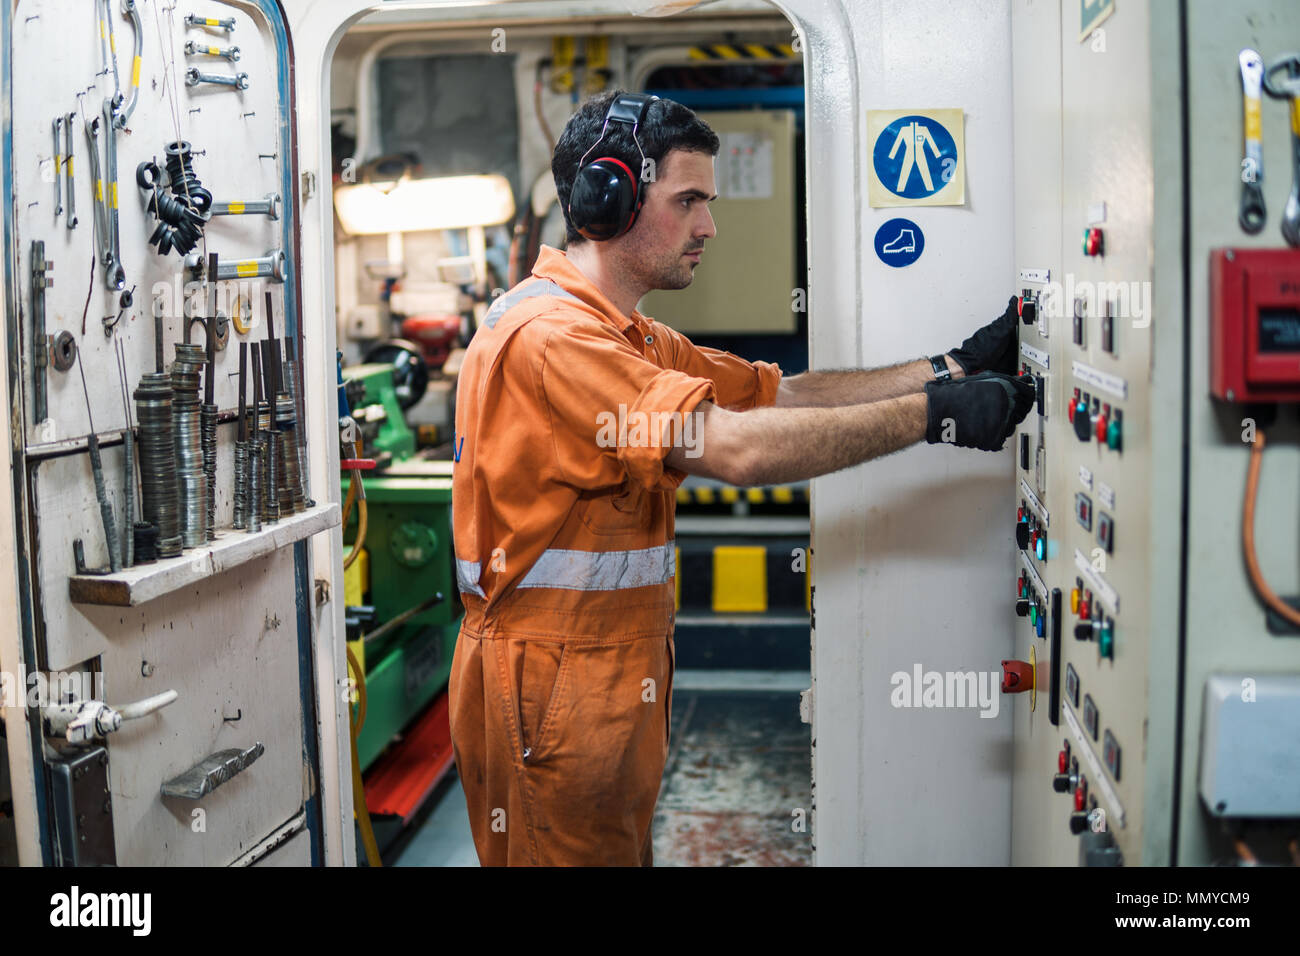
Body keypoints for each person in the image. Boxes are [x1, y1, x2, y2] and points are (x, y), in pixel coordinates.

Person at [448, 90, 1034, 866]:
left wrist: (948, 368)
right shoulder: (554, 339)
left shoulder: (626, 335)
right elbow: (736, 451)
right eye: (687, 201)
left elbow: (780, 392)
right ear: (607, 198)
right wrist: (934, 415)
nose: (708, 227)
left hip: (597, 676)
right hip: (550, 684)